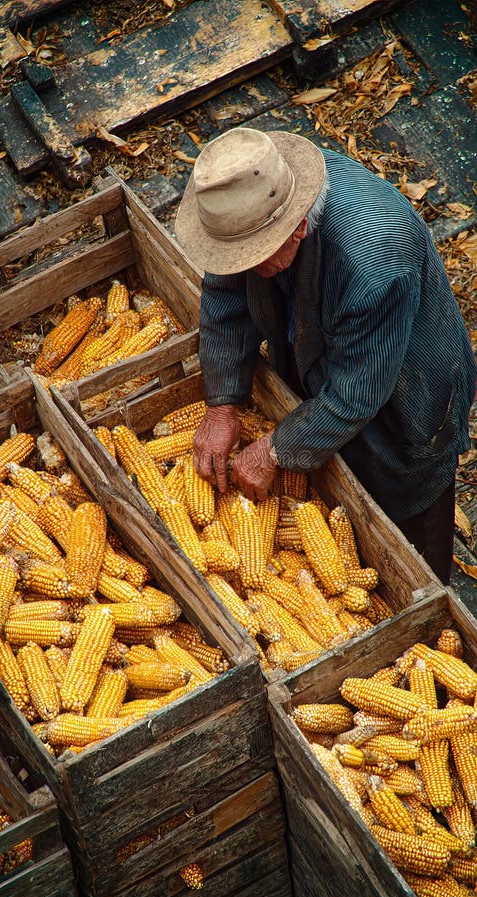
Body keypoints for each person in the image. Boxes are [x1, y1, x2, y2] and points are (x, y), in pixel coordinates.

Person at [174, 127, 477, 584]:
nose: (249, 268)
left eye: (257, 256)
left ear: (297, 225)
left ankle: (428, 592)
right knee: (328, 460)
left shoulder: (375, 259)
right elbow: (225, 293)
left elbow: (356, 394)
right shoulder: (249, 191)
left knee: (407, 502)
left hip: (408, 387)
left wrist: (274, 451)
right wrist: (222, 403)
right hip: (323, 347)